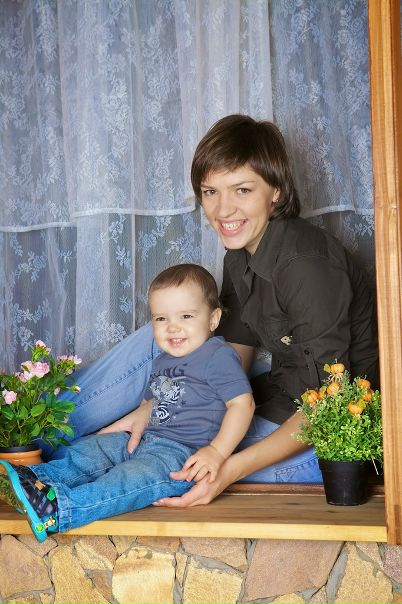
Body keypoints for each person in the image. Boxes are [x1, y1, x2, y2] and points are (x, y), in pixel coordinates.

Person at [10, 114, 378, 507]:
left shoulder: (306, 266)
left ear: (276, 191)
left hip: (324, 440)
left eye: (242, 190)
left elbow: (328, 406)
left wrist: (224, 466)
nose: (223, 210)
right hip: (277, 397)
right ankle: (24, 439)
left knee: (169, 457)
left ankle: (33, 453)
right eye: (210, 192)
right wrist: (159, 406)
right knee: (169, 331)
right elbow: (230, 353)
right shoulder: (241, 253)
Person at [0, 264, 255, 541]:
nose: (173, 327)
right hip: (145, 440)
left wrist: (217, 452)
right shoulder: (163, 360)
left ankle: (60, 510)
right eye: (161, 318)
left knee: (126, 480)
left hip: (182, 456)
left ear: (213, 319)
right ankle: (33, 480)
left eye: (186, 316)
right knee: (92, 450)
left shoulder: (216, 355)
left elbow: (243, 405)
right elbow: (151, 406)